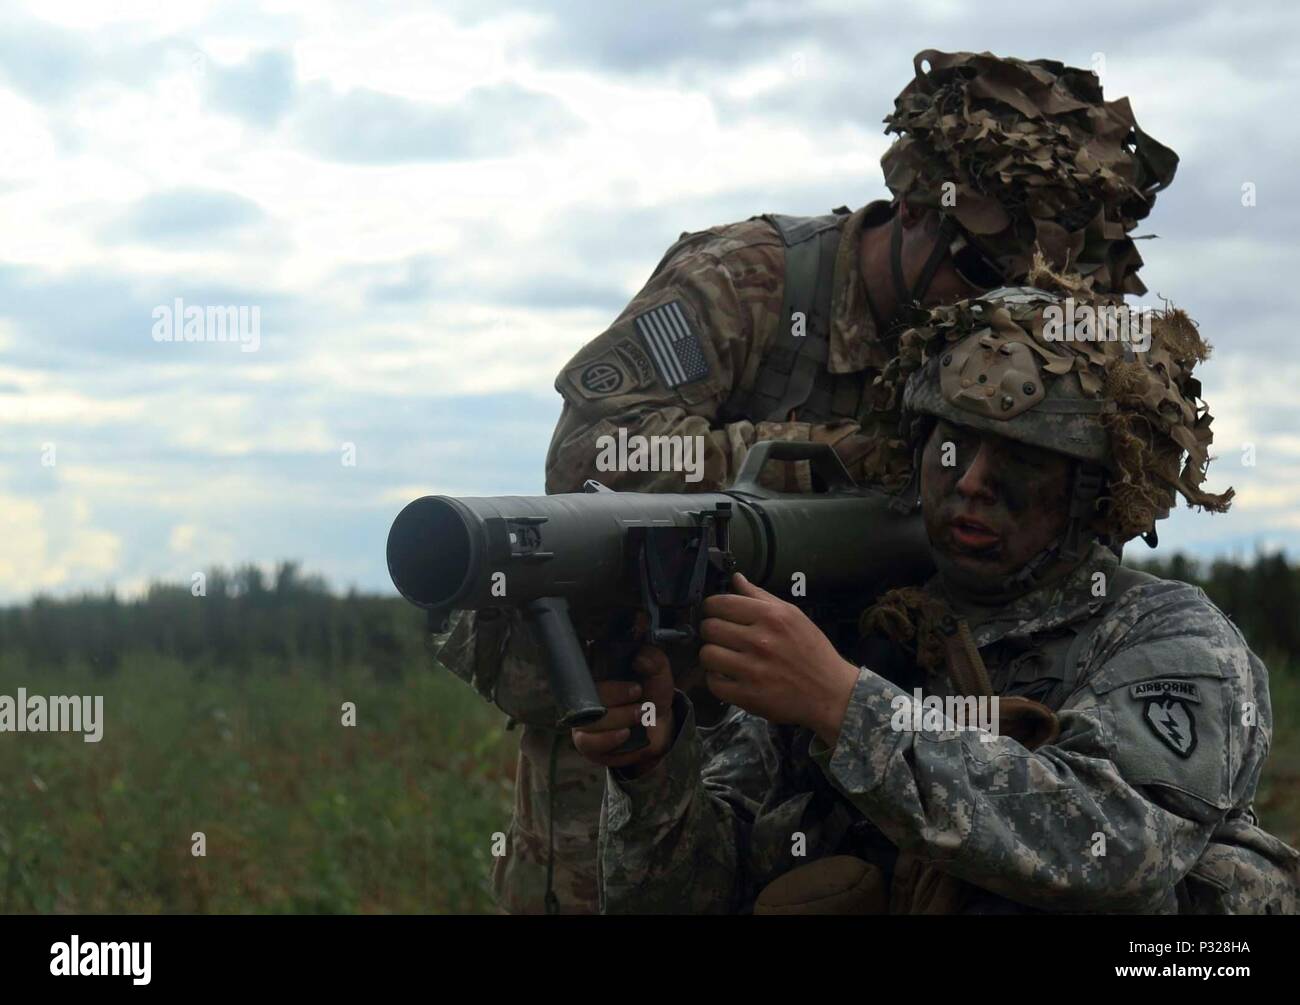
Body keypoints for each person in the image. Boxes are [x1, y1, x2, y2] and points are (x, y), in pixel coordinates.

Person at [435, 51, 1179, 914]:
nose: (1001, 311)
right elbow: (591, 462)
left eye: (1034, 288)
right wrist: (844, 458)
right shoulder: (745, 281)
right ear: (912, 207)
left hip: (843, 751)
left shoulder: (1001, 358)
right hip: (644, 721)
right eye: (982, 271)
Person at [575, 285, 1300, 914]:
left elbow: (1117, 849)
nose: (972, 481)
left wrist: (842, 705)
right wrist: (652, 769)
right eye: (952, 446)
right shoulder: (861, 623)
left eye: (1021, 458)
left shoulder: (1170, 638)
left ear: (1093, 491)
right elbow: (689, 894)